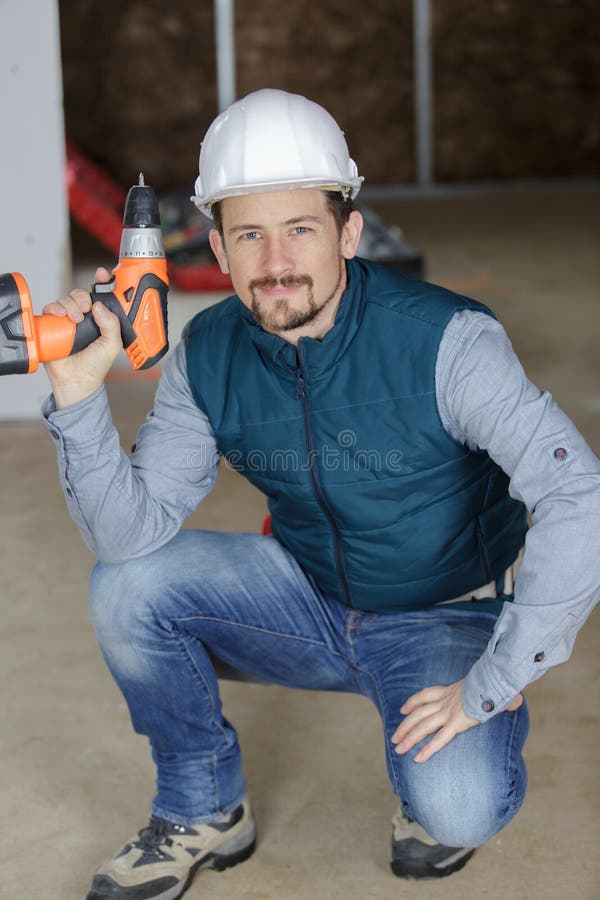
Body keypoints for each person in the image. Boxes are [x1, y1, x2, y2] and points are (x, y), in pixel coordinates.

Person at [42, 89, 599, 900]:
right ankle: (203, 810)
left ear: (348, 232)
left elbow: (577, 490)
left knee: (460, 808)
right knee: (128, 587)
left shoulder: (447, 342)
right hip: (305, 595)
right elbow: (128, 536)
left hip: (442, 612)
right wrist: (80, 397)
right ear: (219, 251)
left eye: (300, 229)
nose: (275, 263)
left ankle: (432, 800)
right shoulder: (209, 351)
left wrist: (495, 680)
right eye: (249, 235)